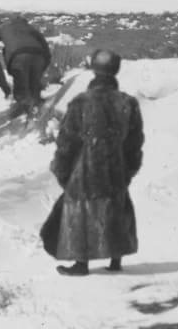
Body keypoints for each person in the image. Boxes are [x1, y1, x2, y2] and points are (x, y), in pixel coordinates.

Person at [49, 49, 144, 276]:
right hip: (116, 169)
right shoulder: (128, 103)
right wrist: (128, 170)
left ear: (93, 70)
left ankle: (81, 263)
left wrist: (62, 170)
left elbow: (66, 142)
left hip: (85, 170)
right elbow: (134, 142)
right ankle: (115, 260)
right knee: (116, 208)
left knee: (81, 213)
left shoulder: (80, 103)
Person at [0, 15, 52, 118]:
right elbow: (45, 48)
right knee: (34, 84)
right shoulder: (31, 28)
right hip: (38, 55)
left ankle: (24, 112)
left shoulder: (5, 27)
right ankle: (37, 111)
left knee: (21, 86)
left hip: (18, 56)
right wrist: (43, 68)